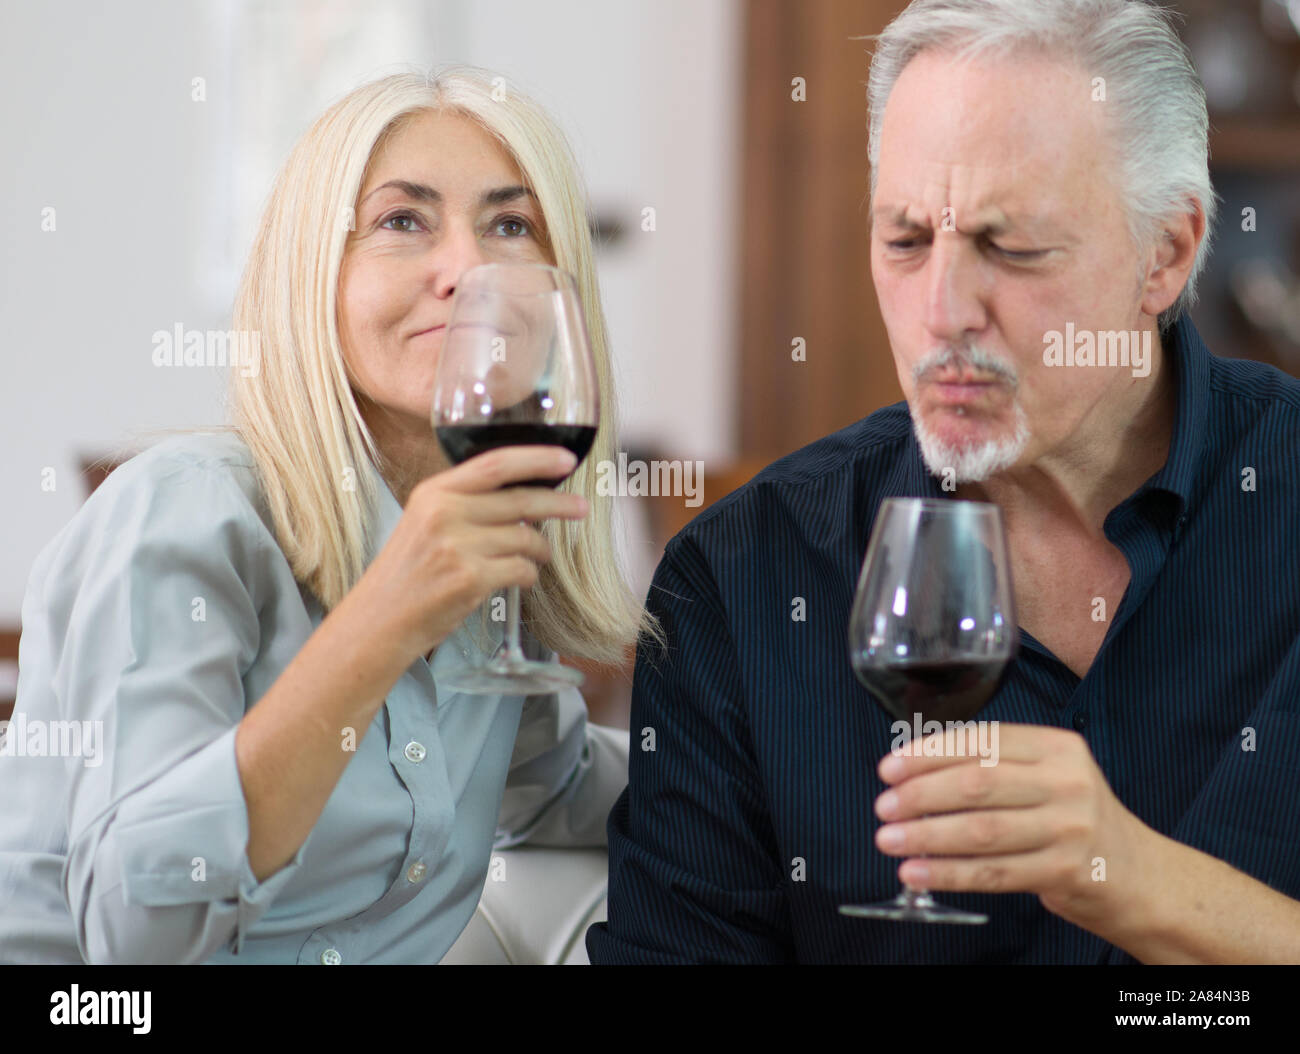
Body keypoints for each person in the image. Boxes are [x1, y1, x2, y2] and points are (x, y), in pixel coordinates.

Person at [588, 0, 1300, 964]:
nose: (943, 313)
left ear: (1165, 253)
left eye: (1011, 248)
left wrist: (1137, 881)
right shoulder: (741, 578)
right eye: (907, 240)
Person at [0, 66, 657, 964]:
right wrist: (381, 623)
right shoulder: (184, 514)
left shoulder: (487, 566)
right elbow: (134, 935)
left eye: (510, 226)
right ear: (314, 278)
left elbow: (558, 787)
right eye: (401, 221)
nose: (466, 269)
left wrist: (807, 773)